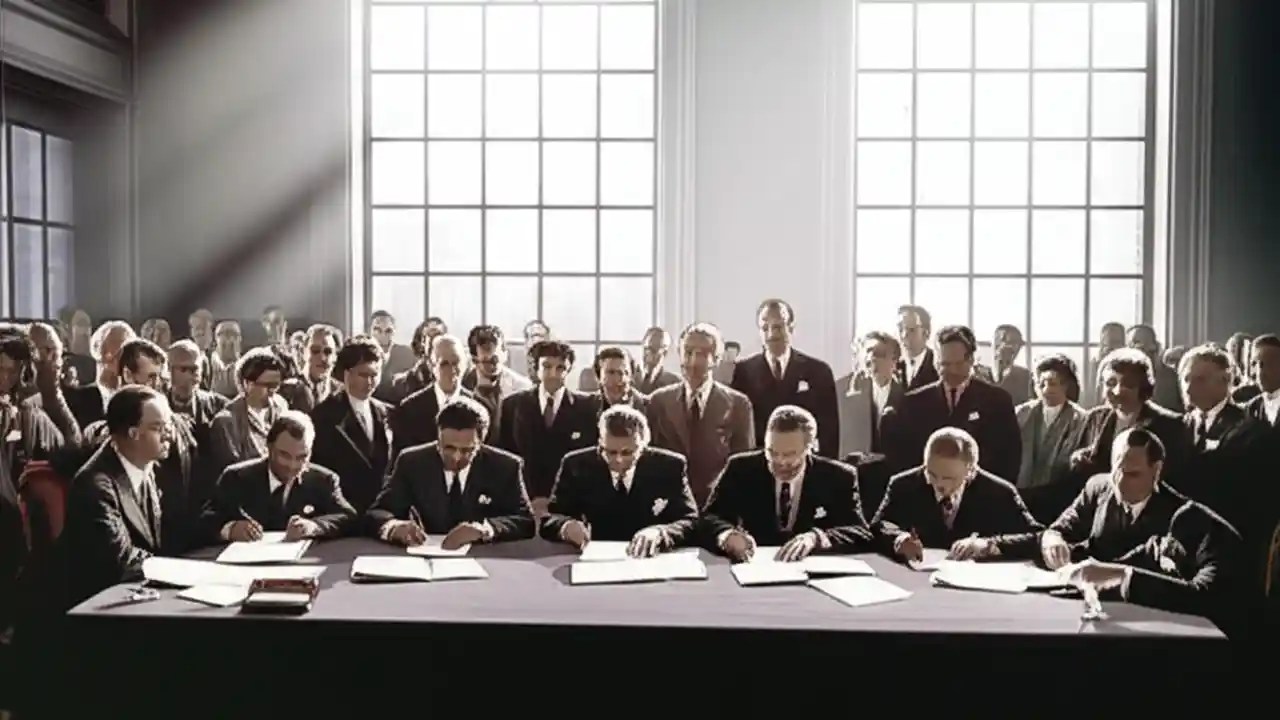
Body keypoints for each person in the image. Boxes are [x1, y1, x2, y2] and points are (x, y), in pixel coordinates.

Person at [702, 405, 873, 562]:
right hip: (754, 567)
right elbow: (708, 518)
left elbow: (860, 531)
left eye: (790, 454)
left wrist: (816, 538)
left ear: (810, 447)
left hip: (812, 571)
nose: (780, 462)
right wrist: (727, 536)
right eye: (772, 452)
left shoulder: (839, 476)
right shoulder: (740, 468)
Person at [368, 397, 535, 548]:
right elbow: (378, 512)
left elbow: (526, 521)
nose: (456, 457)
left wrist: (484, 529)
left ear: (481, 443)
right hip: (424, 556)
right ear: (437, 439)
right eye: (448, 448)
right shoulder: (412, 462)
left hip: (484, 560)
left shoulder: (506, 467)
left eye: (466, 450)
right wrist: (393, 527)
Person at [59, 386, 173, 605]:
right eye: (158, 427)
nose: (169, 433)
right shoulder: (95, 486)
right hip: (94, 611)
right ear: (133, 434)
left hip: (135, 598)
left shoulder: (146, 466)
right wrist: (178, 569)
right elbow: (120, 560)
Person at [542, 405, 698, 556]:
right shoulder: (575, 465)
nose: (618, 460)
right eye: (610, 452)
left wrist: (661, 533)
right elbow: (551, 518)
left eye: (627, 453)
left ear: (643, 446)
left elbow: (691, 520)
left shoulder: (670, 467)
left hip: (652, 558)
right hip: (595, 560)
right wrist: (567, 527)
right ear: (600, 443)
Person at [200, 411, 357, 544]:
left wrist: (314, 526)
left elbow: (349, 517)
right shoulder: (236, 477)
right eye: (285, 455)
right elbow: (204, 521)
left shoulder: (324, 480)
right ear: (269, 447)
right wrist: (230, 529)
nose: (292, 465)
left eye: (302, 457)